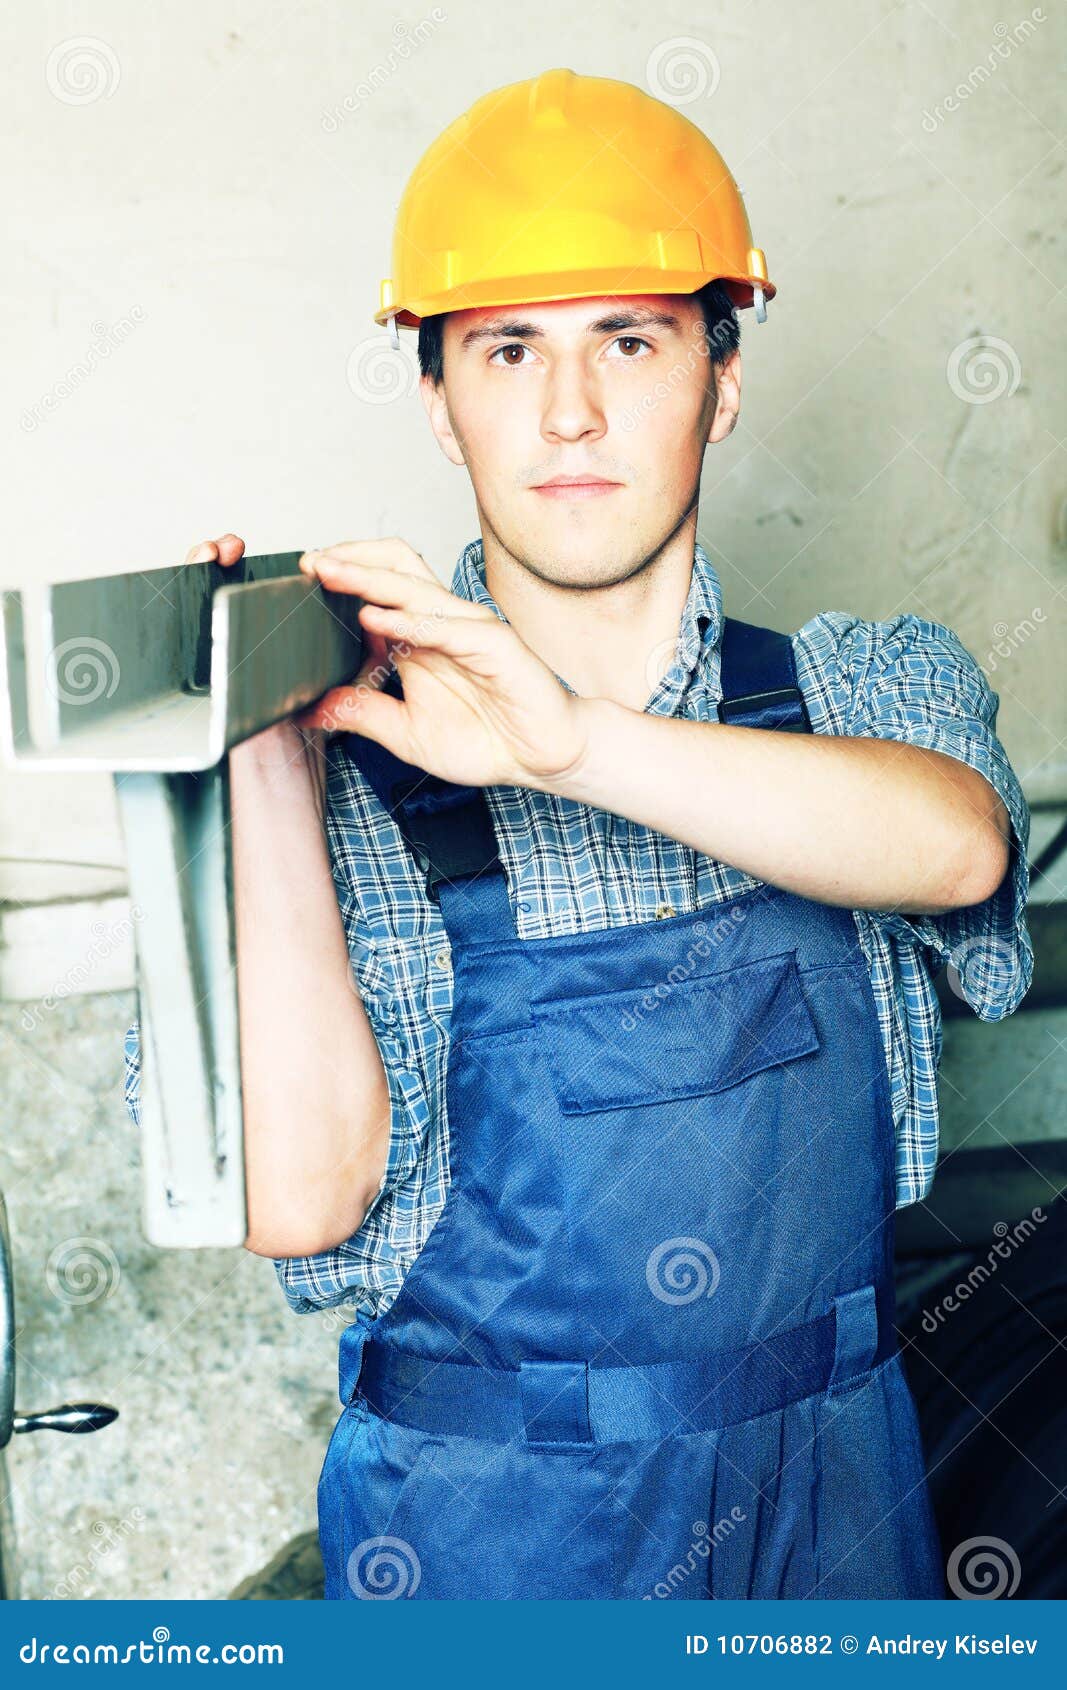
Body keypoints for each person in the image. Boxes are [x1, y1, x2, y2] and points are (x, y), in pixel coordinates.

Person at [123, 68, 1033, 1601]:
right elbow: (298, 1197)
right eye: (506, 349)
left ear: (723, 379)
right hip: (497, 1549)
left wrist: (566, 742)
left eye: (631, 339)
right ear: (436, 398)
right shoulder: (359, 779)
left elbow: (958, 851)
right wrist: (270, 766)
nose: (570, 414)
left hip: (845, 1512)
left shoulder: (864, 684)